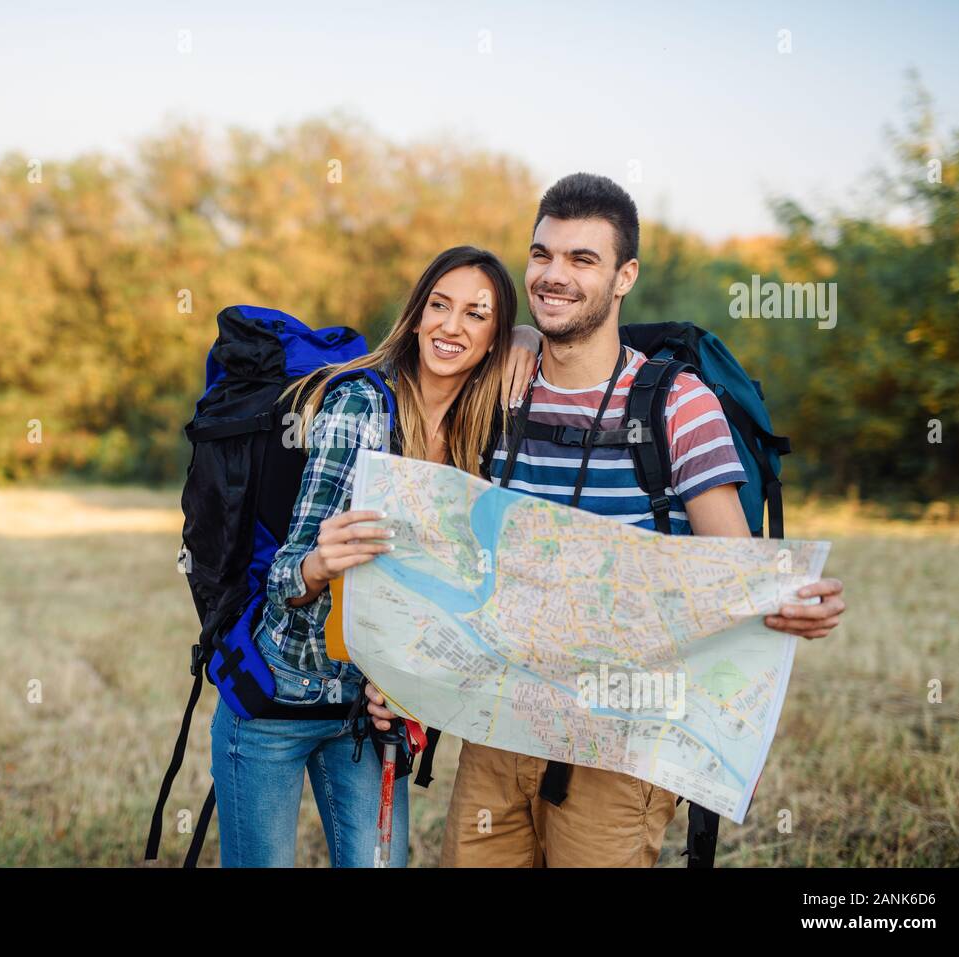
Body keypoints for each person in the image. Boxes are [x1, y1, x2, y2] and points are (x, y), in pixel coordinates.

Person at [365, 173, 848, 867]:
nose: (554, 276)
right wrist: (403, 671)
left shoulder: (677, 407)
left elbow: (736, 574)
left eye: (582, 260)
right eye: (543, 255)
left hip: (620, 745)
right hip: (498, 729)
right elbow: (448, 545)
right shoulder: (497, 384)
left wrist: (791, 601)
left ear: (626, 276)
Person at [211, 245, 518, 867]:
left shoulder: (477, 439)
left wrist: (415, 687)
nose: (451, 326)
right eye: (439, 305)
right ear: (416, 314)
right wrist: (318, 566)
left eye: (476, 315)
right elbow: (285, 575)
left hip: (368, 712)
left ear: (495, 340)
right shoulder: (360, 403)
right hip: (280, 694)